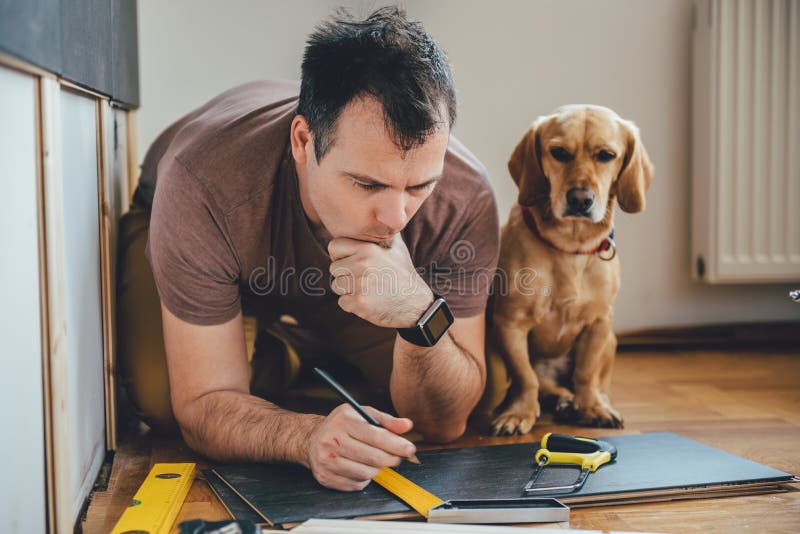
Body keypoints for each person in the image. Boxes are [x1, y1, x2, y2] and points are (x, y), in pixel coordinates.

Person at [117, 6, 499, 491]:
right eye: (366, 183)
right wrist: (306, 435)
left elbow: (447, 423)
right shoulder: (202, 182)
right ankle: (286, 340)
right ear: (303, 141)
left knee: (484, 391)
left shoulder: (466, 194)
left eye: (420, 186)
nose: (398, 218)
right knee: (159, 397)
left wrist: (419, 313)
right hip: (191, 225)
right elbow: (201, 403)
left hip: (344, 278)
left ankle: (294, 347)